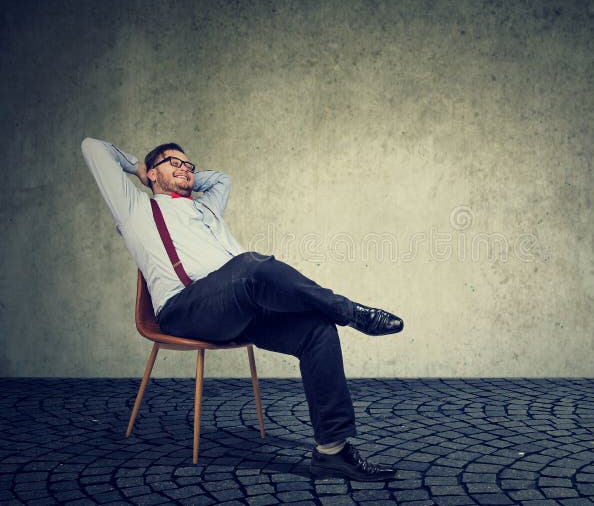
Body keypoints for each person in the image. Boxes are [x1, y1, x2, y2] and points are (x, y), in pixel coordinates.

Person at [81, 137, 404, 481]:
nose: (185, 170)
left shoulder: (206, 208)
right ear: (153, 174)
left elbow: (222, 179)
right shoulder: (134, 208)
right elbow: (92, 148)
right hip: (185, 309)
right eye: (174, 163)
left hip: (238, 305)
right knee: (252, 265)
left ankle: (332, 452)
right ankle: (351, 310)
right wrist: (138, 168)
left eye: (188, 165)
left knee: (317, 330)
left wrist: (182, 173)